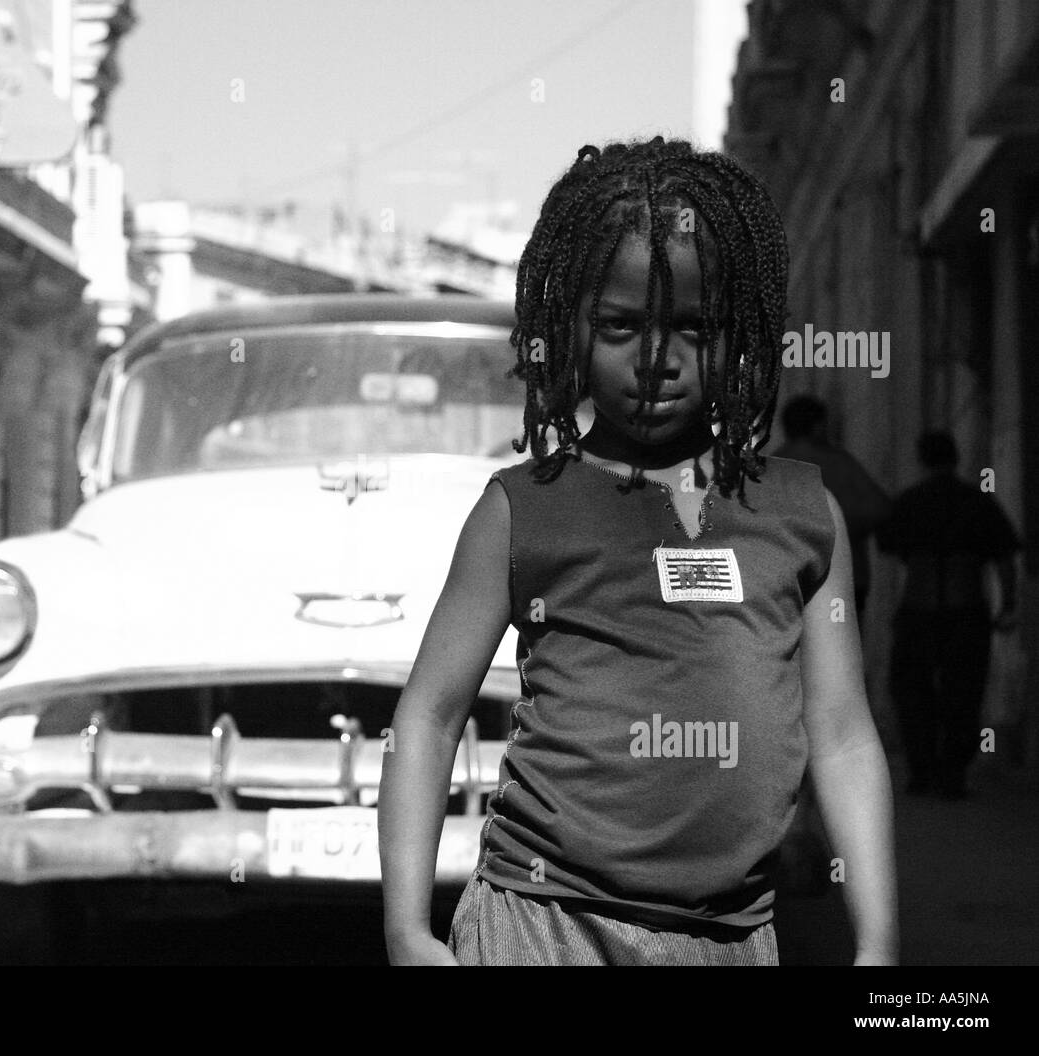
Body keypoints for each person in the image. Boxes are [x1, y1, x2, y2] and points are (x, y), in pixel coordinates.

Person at [377, 136, 898, 966]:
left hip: (731, 938)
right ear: (570, 328)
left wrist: (877, 943)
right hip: (540, 922)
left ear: (743, 332)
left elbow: (840, 733)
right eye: (621, 326)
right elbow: (429, 717)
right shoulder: (521, 509)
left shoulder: (806, 513)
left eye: (692, 327)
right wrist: (407, 931)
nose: (655, 360)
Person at [877, 431, 1020, 799]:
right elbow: (1004, 559)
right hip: (966, 610)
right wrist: (1007, 605)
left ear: (921, 459)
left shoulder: (910, 501)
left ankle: (922, 770)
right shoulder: (977, 501)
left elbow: (890, 552)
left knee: (912, 692)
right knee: (964, 692)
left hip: (918, 610)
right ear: (955, 458)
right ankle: (952, 772)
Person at [775, 395, 892, 622]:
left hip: (787, 578)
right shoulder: (838, 462)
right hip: (844, 575)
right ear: (818, 426)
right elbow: (879, 509)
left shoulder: (773, 463)